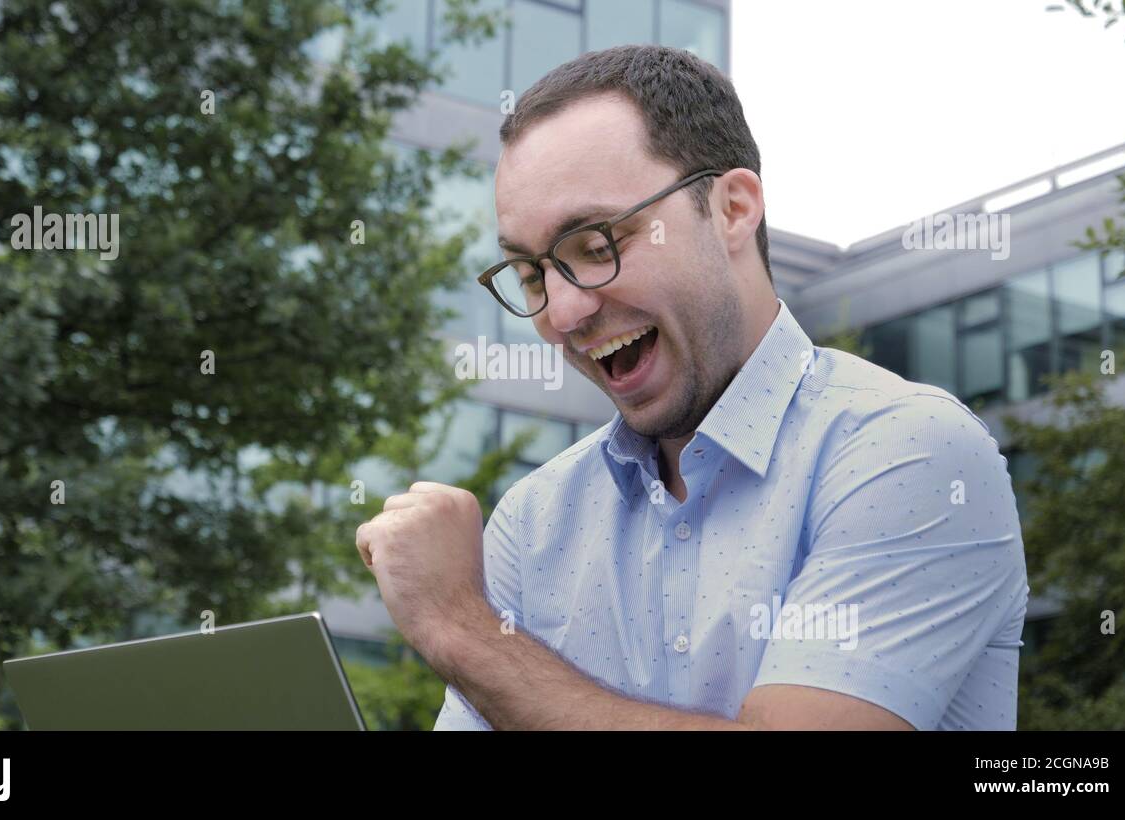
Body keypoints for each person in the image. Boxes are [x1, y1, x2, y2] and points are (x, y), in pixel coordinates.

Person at [355, 44, 1028, 730]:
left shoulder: (911, 453)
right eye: (532, 274)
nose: (561, 314)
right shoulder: (530, 524)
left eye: (595, 244)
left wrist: (457, 626)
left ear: (733, 208)